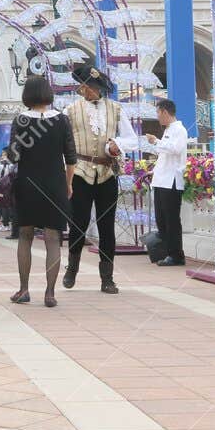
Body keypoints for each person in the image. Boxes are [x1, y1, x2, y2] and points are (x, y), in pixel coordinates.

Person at [7, 76, 76, 308]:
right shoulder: (62, 120)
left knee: (25, 236)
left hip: (27, 184)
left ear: (27, 95)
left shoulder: (21, 120)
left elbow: (14, 156)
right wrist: (68, 184)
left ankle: (24, 289)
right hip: (55, 184)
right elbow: (71, 158)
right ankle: (50, 293)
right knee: (53, 237)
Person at [63, 65, 126, 295]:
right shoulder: (70, 110)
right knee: (77, 223)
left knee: (106, 226)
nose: (87, 91)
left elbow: (129, 137)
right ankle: (72, 267)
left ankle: (107, 277)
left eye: (90, 87)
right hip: (80, 171)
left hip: (107, 171)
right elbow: (64, 141)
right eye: (84, 86)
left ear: (99, 88)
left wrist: (117, 145)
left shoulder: (116, 109)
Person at [145, 98, 190, 267]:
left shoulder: (180, 129)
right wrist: (154, 170)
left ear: (164, 111)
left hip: (171, 181)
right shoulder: (168, 130)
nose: (157, 117)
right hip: (161, 179)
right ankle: (166, 251)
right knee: (161, 219)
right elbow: (164, 155)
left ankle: (176, 254)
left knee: (171, 220)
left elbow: (175, 149)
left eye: (158, 113)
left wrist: (156, 141)